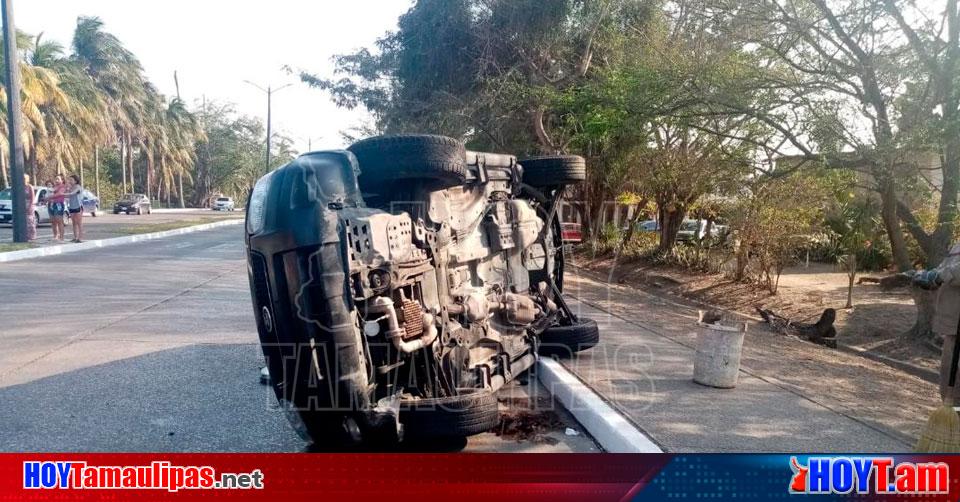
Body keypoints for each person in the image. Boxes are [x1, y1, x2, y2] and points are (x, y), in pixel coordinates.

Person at [913, 244, 960, 403]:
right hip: (951, 325)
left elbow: (955, 272)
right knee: (948, 383)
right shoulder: (957, 246)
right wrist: (928, 276)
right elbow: (944, 268)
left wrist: (940, 276)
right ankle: (952, 421)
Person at [64, 174, 85, 243]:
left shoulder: (78, 187)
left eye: (71, 180)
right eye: (69, 180)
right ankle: (75, 237)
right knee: (74, 223)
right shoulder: (70, 188)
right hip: (72, 206)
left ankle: (80, 238)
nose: (70, 181)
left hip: (78, 206)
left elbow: (72, 193)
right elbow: (67, 196)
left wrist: (62, 194)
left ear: (75, 181)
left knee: (79, 223)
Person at [47, 175, 66, 242]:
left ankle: (62, 237)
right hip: (51, 204)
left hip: (58, 204)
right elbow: (48, 193)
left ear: (62, 180)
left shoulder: (63, 186)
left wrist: (50, 197)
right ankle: (55, 236)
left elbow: (60, 194)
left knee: (59, 220)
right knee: (53, 221)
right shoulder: (53, 187)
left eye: (58, 179)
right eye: (56, 179)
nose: (56, 180)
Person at [23, 174, 36, 241]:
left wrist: (30, 206)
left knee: (30, 221)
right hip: (22, 204)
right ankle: (26, 235)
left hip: (29, 204)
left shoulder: (30, 187)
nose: (23, 179)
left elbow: (32, 198)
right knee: (24, 221)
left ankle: (32, 236)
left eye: (24, 178)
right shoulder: (21, 187)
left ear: (27, 179)